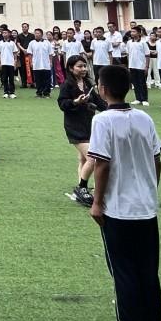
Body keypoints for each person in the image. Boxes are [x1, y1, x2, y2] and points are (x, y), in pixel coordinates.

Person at [88, 65, 161, 321]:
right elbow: (156, 158)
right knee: (147, 270)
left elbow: (102, 164)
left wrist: (97, 201)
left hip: (119, 208)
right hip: (145, 206)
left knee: (124, 270)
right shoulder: (144, 118)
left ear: (102, 89)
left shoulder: (102, 120)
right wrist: (150, 189)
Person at [60, 55, 106, 207]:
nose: (83, 69)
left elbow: (99, 102)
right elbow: (62, 104)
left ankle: (80, 187)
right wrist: (76, 101)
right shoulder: (67, 85)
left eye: (85, 66)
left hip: (89, 125)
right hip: (75, 127)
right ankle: (82, 188)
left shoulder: (88, 84)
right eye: (79, 66)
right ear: (71, 68)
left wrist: (113, 108)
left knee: (83, 159)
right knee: (93, 158)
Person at [125, 28, 150, 106]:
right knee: (135, 83)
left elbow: (147, 55)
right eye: (131, 32)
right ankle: (138, 98)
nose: (132, 33)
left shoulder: (143, 42)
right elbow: (128, 54)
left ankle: (144, 99)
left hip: (141, 66)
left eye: (134, 32)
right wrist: (129, 65)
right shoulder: (129, 42)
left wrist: (146, 66)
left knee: (142, 83)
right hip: (132, 66)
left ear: (139, 33)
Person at [0, 29, 20, 98]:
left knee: (11, 79)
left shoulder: (12, 43)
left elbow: (15, 54)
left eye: (6, 33)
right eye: (3, 33)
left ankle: (12, 92)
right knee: (4, 78)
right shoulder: (0, 43)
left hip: (11, 63)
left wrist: (15, 62)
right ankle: (5, 92)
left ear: (9, 34)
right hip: (3, 63)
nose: (4, 34)